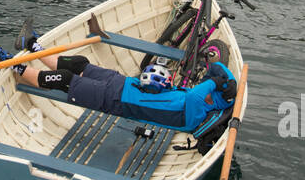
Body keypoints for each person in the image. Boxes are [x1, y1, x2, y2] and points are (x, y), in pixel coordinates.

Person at [14, 49, 236, 133]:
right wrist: (226, 82)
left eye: (212, 90)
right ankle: (35, 48)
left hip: (114, 100)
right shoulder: (205, 97)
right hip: (124, 83)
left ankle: (16, 65)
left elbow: (203, 89)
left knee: (64, 79)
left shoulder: (195, 112)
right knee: (80, 64)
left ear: (214, 101)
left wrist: (218, 83)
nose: (207, 85)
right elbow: (216, 70)